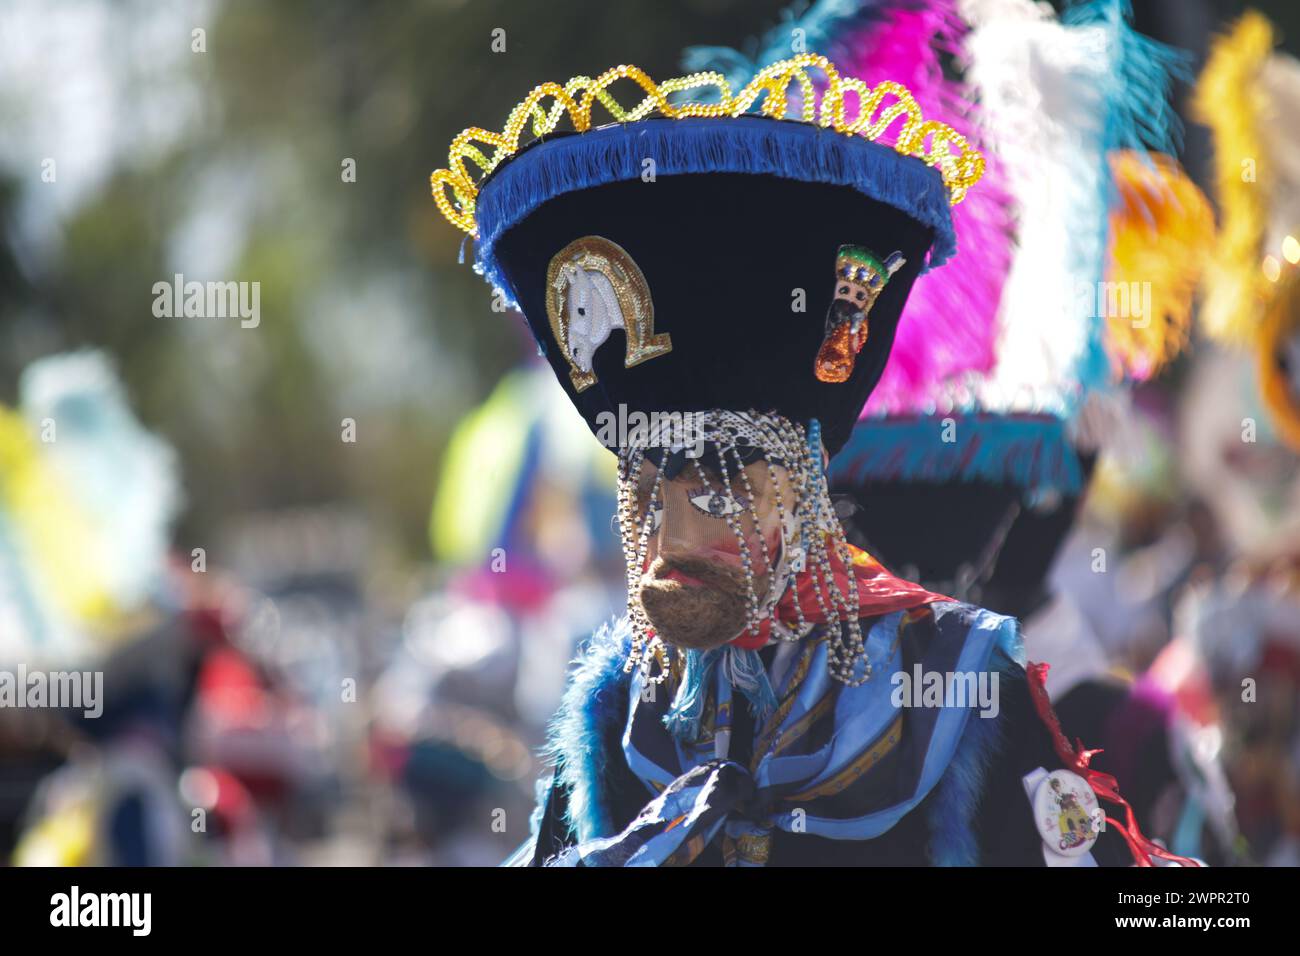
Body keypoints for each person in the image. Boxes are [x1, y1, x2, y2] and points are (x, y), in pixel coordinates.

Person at [428, 39, 1191, 865]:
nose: (675, 540)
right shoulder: (621, 707)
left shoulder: (956, 685)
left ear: (797, 490)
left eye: (719, 490)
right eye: (646, 494)